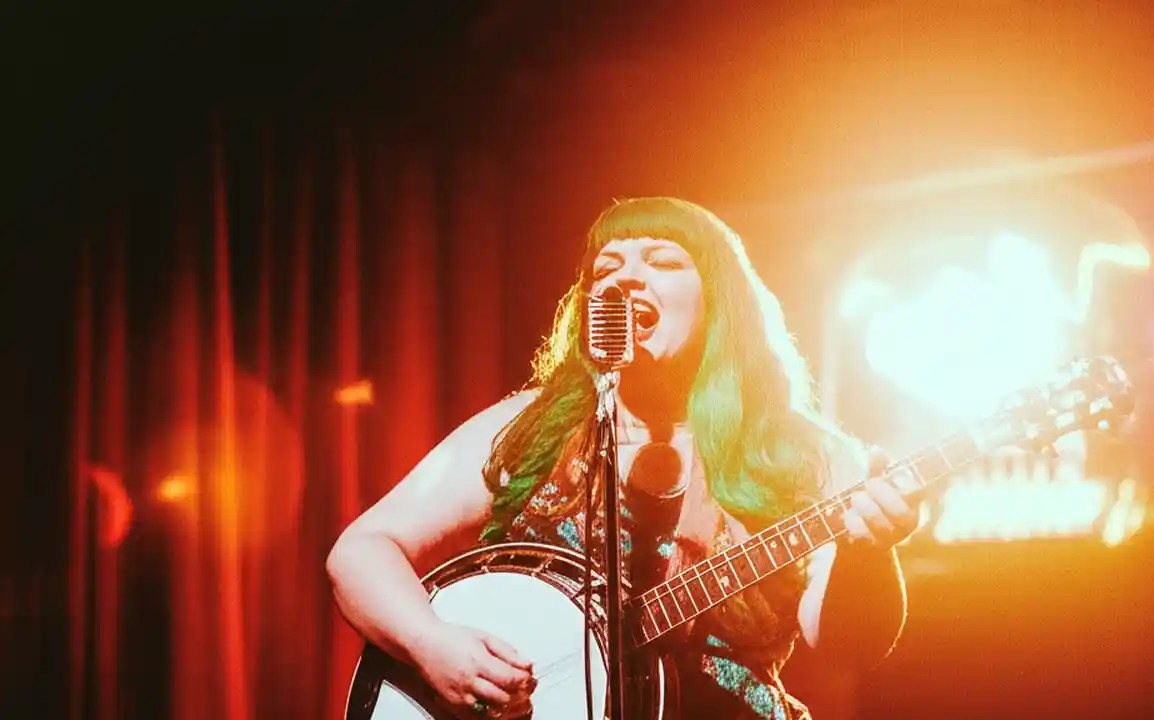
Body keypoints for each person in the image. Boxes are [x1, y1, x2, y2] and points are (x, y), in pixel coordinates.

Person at [326, 196, 919, 719]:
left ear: (719, 302)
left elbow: (851, 648)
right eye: (606, 268)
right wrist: (431, 644)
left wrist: (870, 553)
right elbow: (360, 551)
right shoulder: (534, 427)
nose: (626, 280)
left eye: (661, 261)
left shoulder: (804, 453)